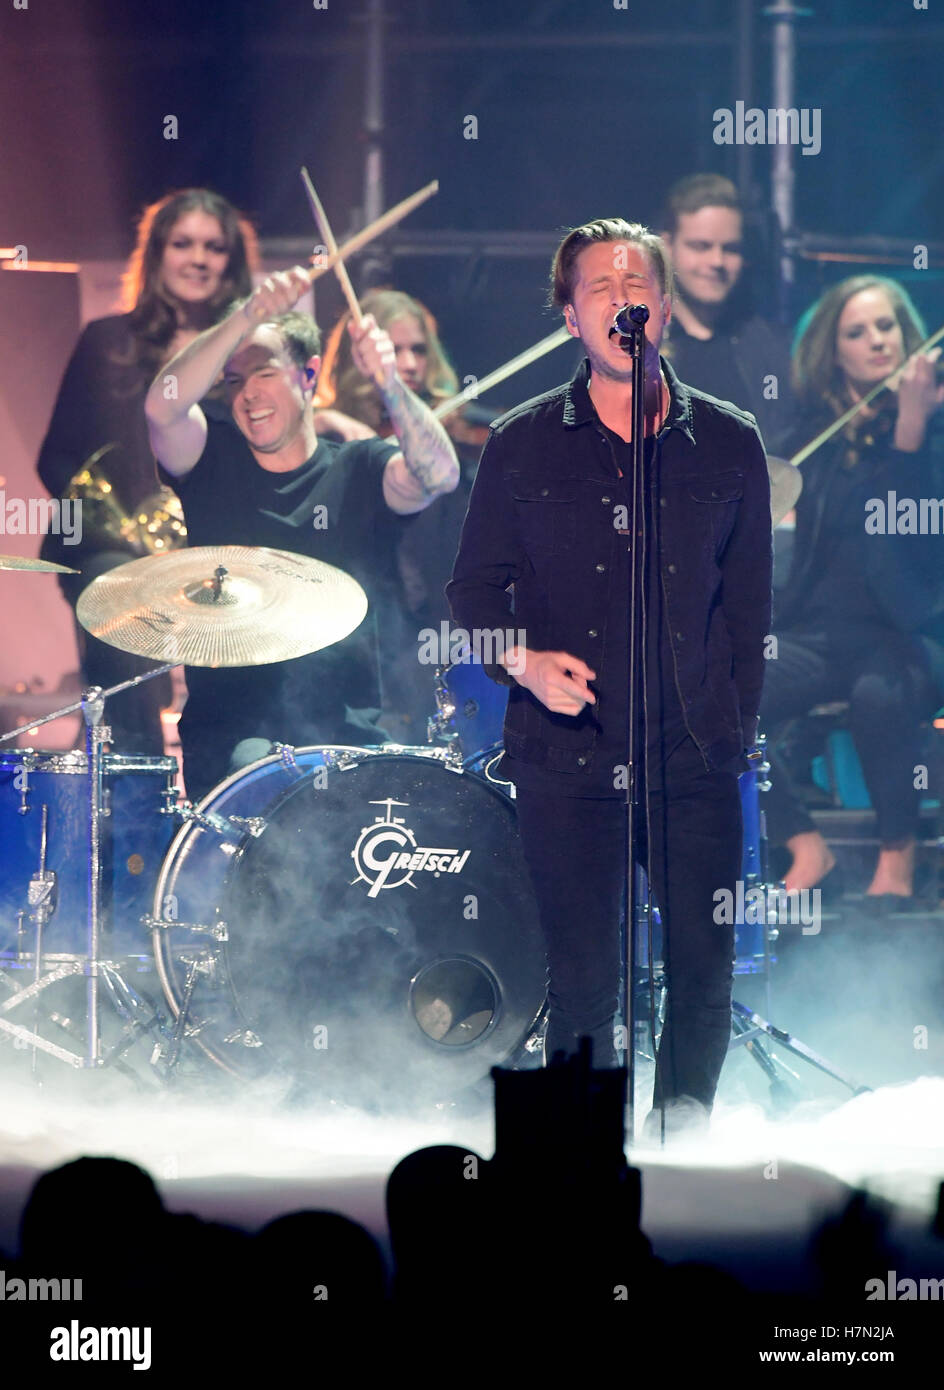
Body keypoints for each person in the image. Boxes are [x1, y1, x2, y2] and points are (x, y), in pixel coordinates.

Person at [447, 218, 771, 1129]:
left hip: (695, 754)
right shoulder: (520, 444)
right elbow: (472, 590)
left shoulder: (729, 441)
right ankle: (586, 1179)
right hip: (567, 757)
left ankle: (681, 1155)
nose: (623, 295)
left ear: (663, 308)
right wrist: (522, 662)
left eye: (639, 283)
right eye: (600, 285)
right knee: (588, 988)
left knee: (704, 979)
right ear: (569, 318)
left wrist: (733, 730)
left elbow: (750, 611)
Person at [145, 267, 460, 800]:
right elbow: (163, 404)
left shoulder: (360, 468)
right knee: (257, 781)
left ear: (309, 375)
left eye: (264, 373)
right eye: (234, 380)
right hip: (232, 743)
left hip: (345, 739)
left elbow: (439, 475)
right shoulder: (210, 458)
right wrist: (245, 316)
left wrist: (389, 381)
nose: (247, 394)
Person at [36, 188, 258, 754]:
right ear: (157, 254)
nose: (199, 259)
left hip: (217, 551)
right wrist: (123, 532)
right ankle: (131, 790)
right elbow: (56, 455)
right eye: (183, 244)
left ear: (232, 262)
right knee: (112, 595)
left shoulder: (248, 353)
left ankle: (232, 782)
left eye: (215, 248)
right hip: (116, 550)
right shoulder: (108, 341)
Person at [759, 275, 944, 907]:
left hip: (903, 635)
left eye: (887, 326)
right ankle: (803, 842)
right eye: (857, 332)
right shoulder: (815, 435)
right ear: (831, 350)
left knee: (879, 696)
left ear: (908, 333)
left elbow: (914, 535)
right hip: (817, 633)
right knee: (714, 689)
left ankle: (898, 860)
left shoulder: (933, 428)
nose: (876, 342)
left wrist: (914, 425)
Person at [314, 288, 492, 739]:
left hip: (442, 621)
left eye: (418, 350)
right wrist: (336, 425)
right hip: (371, 627)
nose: (409, 364)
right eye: (393, 351)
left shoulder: (454, 432)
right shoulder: (334, 432)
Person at [660, 173, 795, 455]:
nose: (717, 261)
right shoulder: (636, 343)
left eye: (730, 249)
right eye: (701, 246)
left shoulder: (770, 344)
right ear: (666, 246)